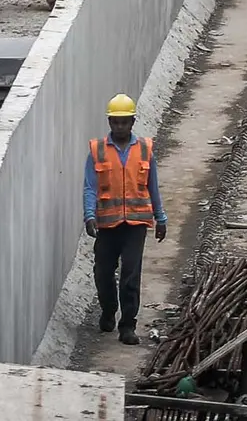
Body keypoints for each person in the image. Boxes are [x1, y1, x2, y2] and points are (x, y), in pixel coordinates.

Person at [83, 93, 165, 345]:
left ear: (132, 122)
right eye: (115, 122)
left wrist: (160, 217)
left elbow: (153, 186)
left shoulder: (144, 150)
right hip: (107, 225)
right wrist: (89, 215)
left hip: (135, 225)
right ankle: (108, 310)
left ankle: (127, 324)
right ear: (110, 122)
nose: (120, 127)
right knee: (103, 273)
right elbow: (90, 187)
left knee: (131, 274)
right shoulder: (97, 151)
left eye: (124, 122)